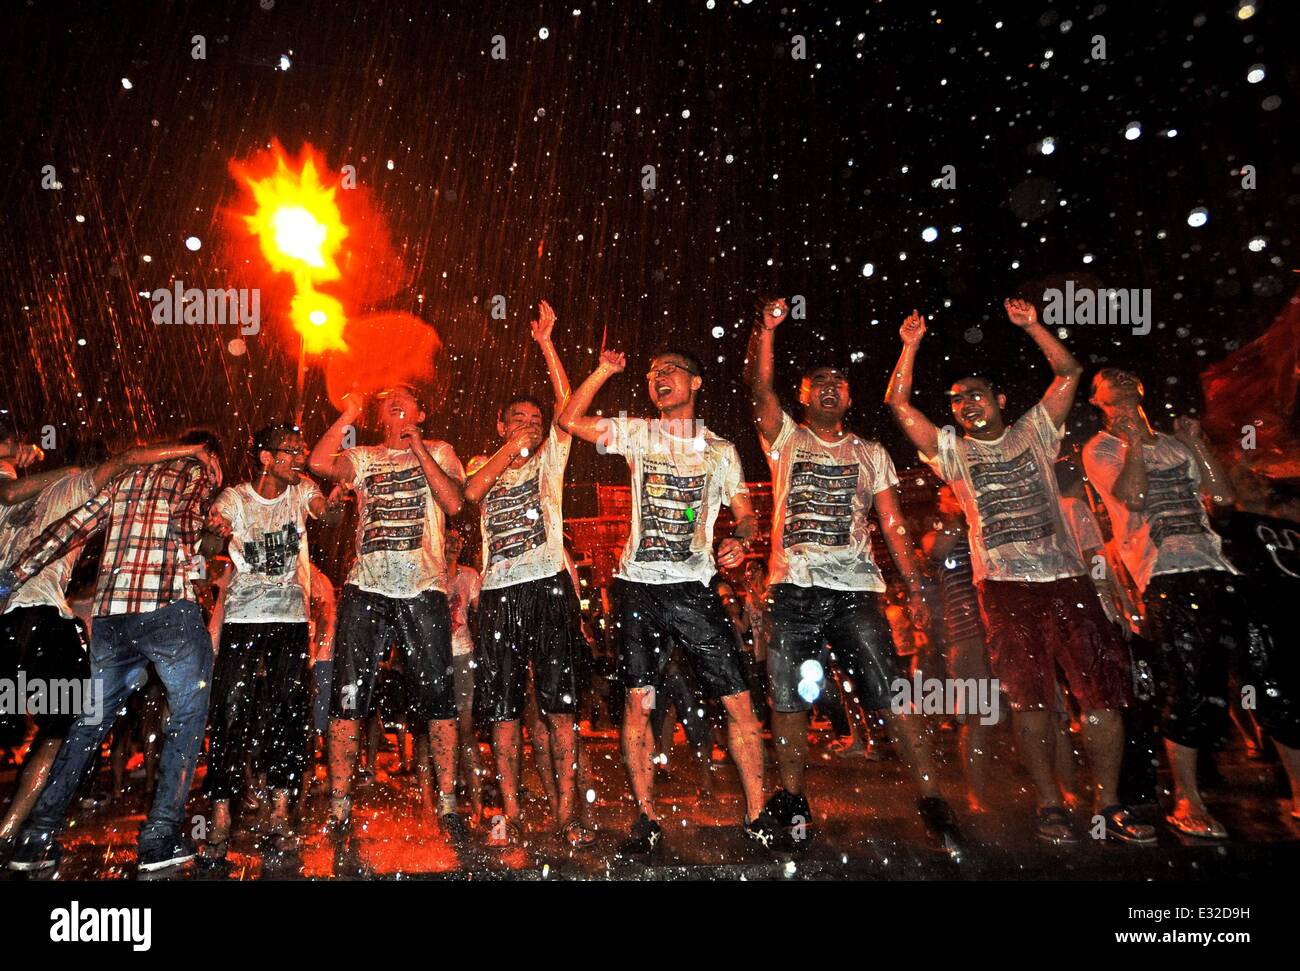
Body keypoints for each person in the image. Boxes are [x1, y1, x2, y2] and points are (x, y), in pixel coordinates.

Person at [885, 302, 1152, 845]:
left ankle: (1110, 802)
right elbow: (897, 402)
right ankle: (1050, 804)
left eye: (976, 394)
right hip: (1004, 589)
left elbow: (1069, 374)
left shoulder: (1034, 430)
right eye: (957, 400)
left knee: (1097, 695)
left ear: (1001, 400)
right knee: (1030, 700)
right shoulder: (952, 452)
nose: (965, 405)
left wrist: (1032, 326)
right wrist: (909, 345)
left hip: (1067, 580)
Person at [746, 296, 964, 854]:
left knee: (891, 697)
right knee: (789, 700)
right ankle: (793, 801)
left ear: (849, 396)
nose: (828, 387)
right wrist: (766, 332)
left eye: (838, 382)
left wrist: (913, 585)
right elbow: (760, 392)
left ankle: (933, 801)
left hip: (856, 593)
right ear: (803, 395)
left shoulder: (872, 452)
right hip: (792, 588)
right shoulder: (785, 439)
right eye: (818, 381)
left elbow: (891, 524)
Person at [558, 345, 781, 854]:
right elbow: (569, 419)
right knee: (640, 703)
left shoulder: (720, 451)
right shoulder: (639, 432)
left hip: (695, 590)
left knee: (739, 701)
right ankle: (646, 817)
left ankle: (756, 814)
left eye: (671, 371)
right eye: (653, 372)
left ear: (696, 383)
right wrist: (603, 371)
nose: (658, 377)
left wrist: (741, 539)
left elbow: (746, 514)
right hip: (639, 588)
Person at [1084, 368, 1300, 835]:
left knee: (1272, 680)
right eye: (1107, 378)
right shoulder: (1099, 448)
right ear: (1096, 398)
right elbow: (1135, 498)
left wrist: (1196, 441)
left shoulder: (1176, 441)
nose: (1118, 378)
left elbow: (1221, 495)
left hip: (1221, 570)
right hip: (1167, 576)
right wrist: (1135, 443)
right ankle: (1187, 800)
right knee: (1193, 688)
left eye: (1123, 373)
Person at [2, 430, 225, 873]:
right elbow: (188, 531)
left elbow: (73, 527)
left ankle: (35, 837)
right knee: (185, 718)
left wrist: (17, 572)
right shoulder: (196, 469)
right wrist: (213, 535)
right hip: (166, 612)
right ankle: (159, 838)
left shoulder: (128, 481)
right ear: (213, 458)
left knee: (87, 725)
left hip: (112, 617)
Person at [307, 385, 467, 858]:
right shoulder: (364, 456)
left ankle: (450, 802)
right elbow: (318, 463)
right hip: (366, 589)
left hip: (423, 589)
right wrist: (349, 414)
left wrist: (418, 447)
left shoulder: (440, 450)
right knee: (348, 697)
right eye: (385, 404)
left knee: (439, 699)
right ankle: (339, 805)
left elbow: (455, 504)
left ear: (423, 409)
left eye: (403, 402)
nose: (393, 408)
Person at [462, 300, 592, 847]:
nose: (530, 428)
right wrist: (507, 450)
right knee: (504, 710)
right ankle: (511, 811)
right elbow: (469, 494)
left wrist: (546, 344)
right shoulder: (479, 465)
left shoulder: (551, 459)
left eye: (534, 424)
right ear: (500, 424)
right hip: (498, 593)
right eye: (519, 420)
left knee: (560, 708)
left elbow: (567, 410)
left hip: (548, 589)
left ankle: (568, 813)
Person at [200, 424, 341, 857]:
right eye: (291, 451)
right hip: (243, 618)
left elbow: (325, 513)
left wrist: (334, 505)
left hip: (290, 620)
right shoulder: (235, 499)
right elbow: (207, 548)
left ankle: (280, 808)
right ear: (265, 457)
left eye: (301, 451)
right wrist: (215, 530)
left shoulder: (301, 490)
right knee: (229, 711)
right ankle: (221, 811)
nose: (301, 457)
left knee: (288, 712)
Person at [442, 528, 483, 822]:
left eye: (457, 540)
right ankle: (440, 804)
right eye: (448, 539)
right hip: (434, 660)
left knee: (465, 733)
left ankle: (478, 805)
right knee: (433, 734)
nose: (453, 544)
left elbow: (482, 614)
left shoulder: (469, 577)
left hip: (463, 655)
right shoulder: (429, 572)